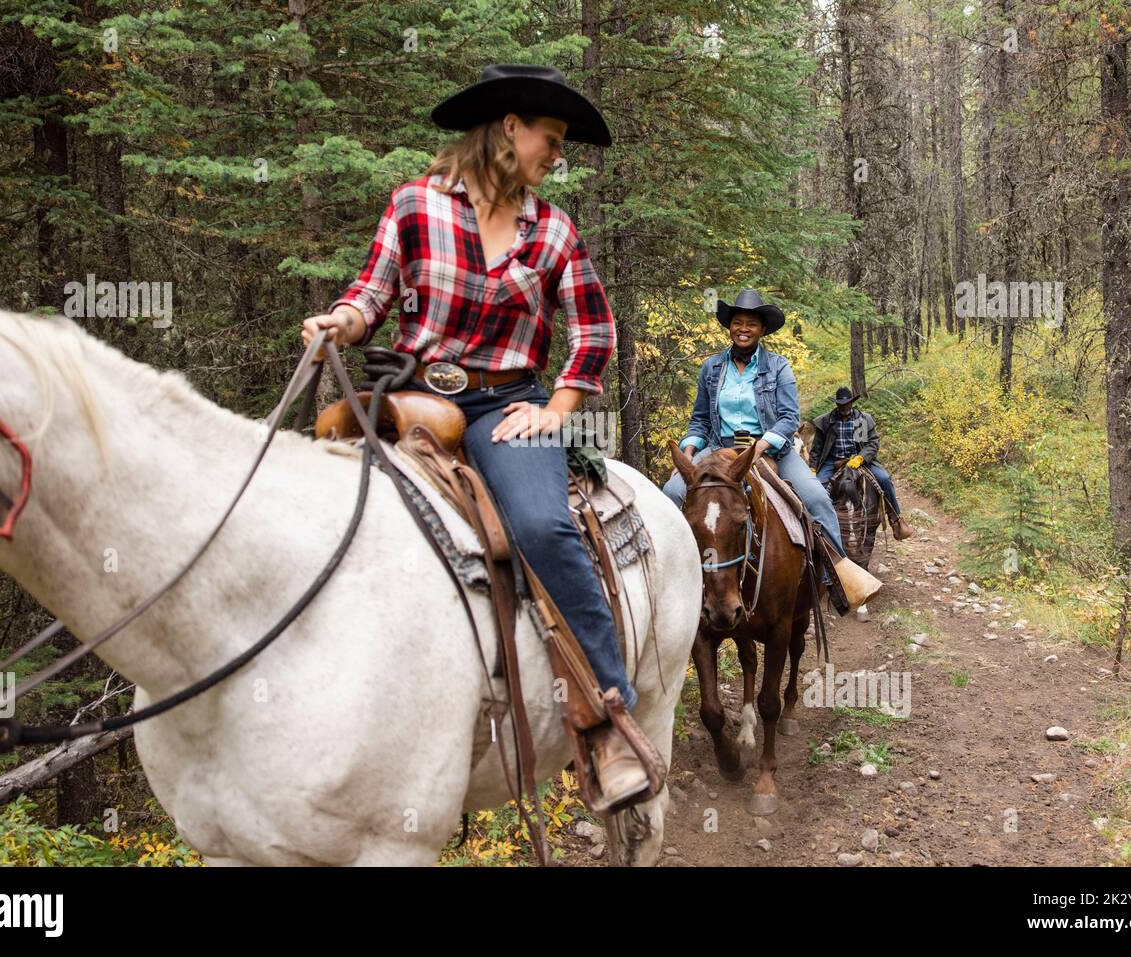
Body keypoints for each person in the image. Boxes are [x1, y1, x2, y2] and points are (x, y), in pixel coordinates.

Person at [300, 64, 648, 806]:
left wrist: (556, 409)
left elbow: (594, 329)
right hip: (414, 396)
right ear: (509, 128)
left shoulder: (552, 230)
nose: (556, 155)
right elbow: (372, 292)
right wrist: (342, 320)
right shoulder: (415, 205)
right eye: (549, 139)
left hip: (505, 406)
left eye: (559, 144)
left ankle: (608, 717)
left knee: (544, 526)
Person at [662, 290, 882, 608]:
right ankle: (673, 578)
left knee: (817, 499)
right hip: (716, 449)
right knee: (671, 492)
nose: (743, 328)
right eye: (737, 322)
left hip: (769, 449)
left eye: (751, 323)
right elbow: (698, 420)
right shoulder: (711, 369)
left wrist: (759, 447)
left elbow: (789, 417)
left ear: (762, 329)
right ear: (729, 327)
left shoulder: (778, 367)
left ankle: (839, 578)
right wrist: (689, 451)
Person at [809, 387, 912, 540]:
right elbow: (816, 449)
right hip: (833, 461)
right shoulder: (826, 421)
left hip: (857, 459)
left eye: (847, 403)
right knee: (816, 488)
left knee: (884, 479)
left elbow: (872, 443)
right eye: (841, 404)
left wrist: (860, 458)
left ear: (852, 402)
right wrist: (813, 468)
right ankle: (815, 525)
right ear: (836, 404)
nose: (844, 407)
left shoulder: (860, 420)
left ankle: (896, 519)